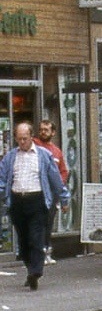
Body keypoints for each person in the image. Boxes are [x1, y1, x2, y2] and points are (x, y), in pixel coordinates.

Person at [0, 122, 70, 290]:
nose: (22, 142)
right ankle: (30, 268)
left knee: (36, 238)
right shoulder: (10, 157)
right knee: (23, 242)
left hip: (37, 201)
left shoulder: (44, 155)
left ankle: (35, 272)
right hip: (17, 201)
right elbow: (2, 180)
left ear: (32, 137)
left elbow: (55, 179)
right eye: (19, 139)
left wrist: (64, 198)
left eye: (25, 138)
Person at [33, 119, 69, 265]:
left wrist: (59, 189)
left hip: (51, 194)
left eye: (46, 130)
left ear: (53, 133)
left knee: (48, 223)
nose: (43, 132)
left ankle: (46, 250)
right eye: (41, 129)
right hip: (36, 191)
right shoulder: (33, 144)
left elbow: (63, 172)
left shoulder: (56, 151)